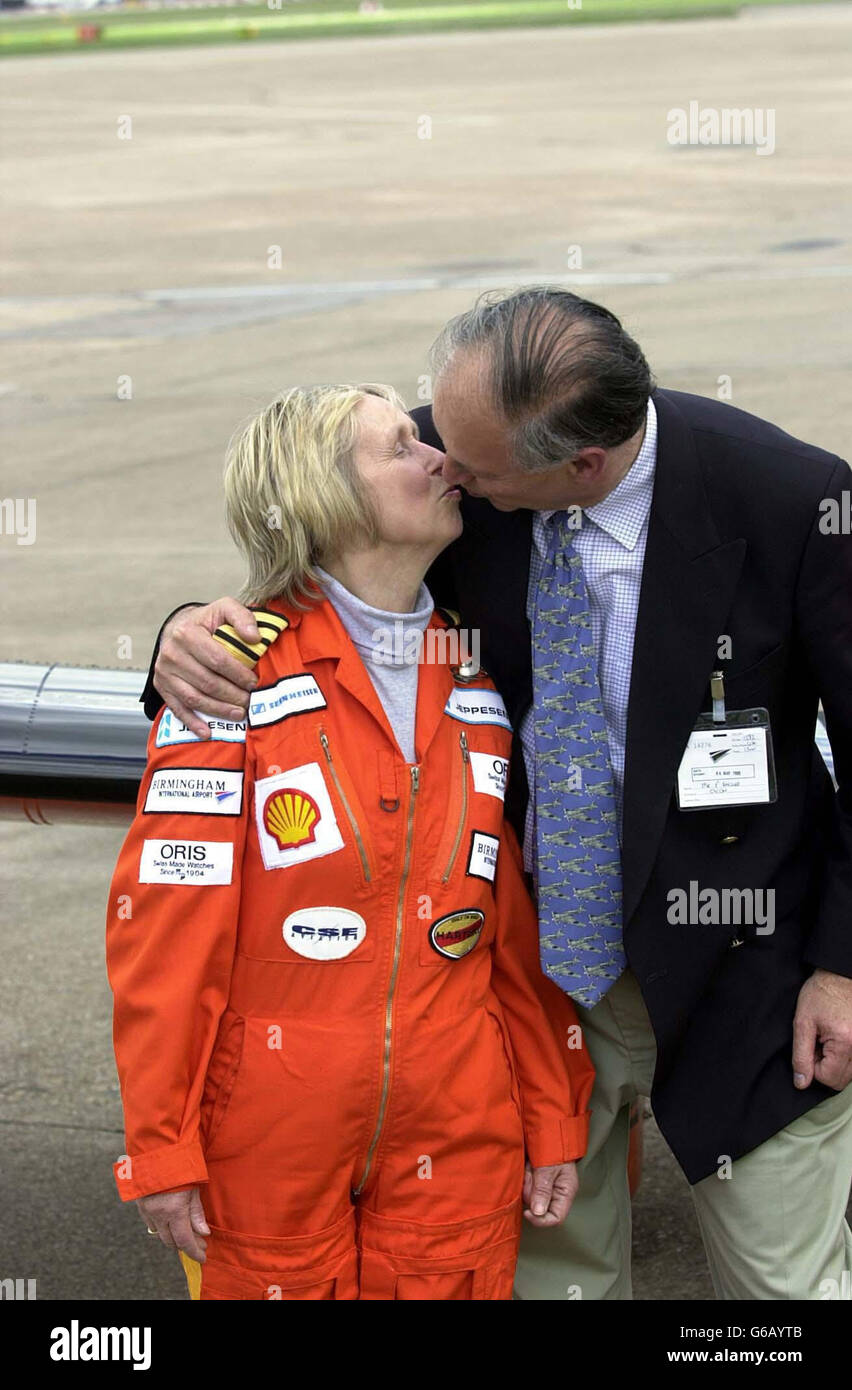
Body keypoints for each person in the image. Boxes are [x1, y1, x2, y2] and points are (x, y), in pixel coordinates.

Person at [141, 289, 852, 1301]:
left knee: (787, 1292)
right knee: (558, 1278)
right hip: (535, 982)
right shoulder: (452, 455)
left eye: (471, 471)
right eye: (432, 443)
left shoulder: (793, 500)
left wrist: (844, 969)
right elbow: (305, 563)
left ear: (581, 467)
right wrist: (183, 639)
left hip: (749, 979)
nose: (443, 468)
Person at [106, 380, 594, 1302]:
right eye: (399, 450)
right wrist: (161, 1141)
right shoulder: (225, 683)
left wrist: (553, 1109)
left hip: (460, 1133)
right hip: (269, 1142)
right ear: (322, 496)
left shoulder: (477, 689)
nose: (439, 458)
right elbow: (165, 933)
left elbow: (506, 936)